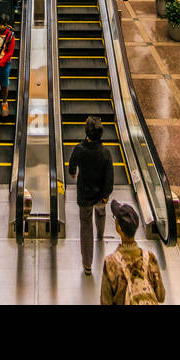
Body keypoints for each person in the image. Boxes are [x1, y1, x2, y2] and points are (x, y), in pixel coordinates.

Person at [68, 116, 115, 276]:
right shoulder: (105, 153)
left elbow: (72, 165)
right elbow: (109, 177)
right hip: (100, 194)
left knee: (85, 225)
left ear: (86, 132)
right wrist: (106, 194)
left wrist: (73, 172)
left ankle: (87, 264)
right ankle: (101, 235)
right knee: (101, 213)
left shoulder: (80, 149)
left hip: (85, 195)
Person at [100, 201, 165, 305]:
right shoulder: (150, 257)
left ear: (119, 228)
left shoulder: (111, 262)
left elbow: (105, 301)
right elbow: (161, 296)